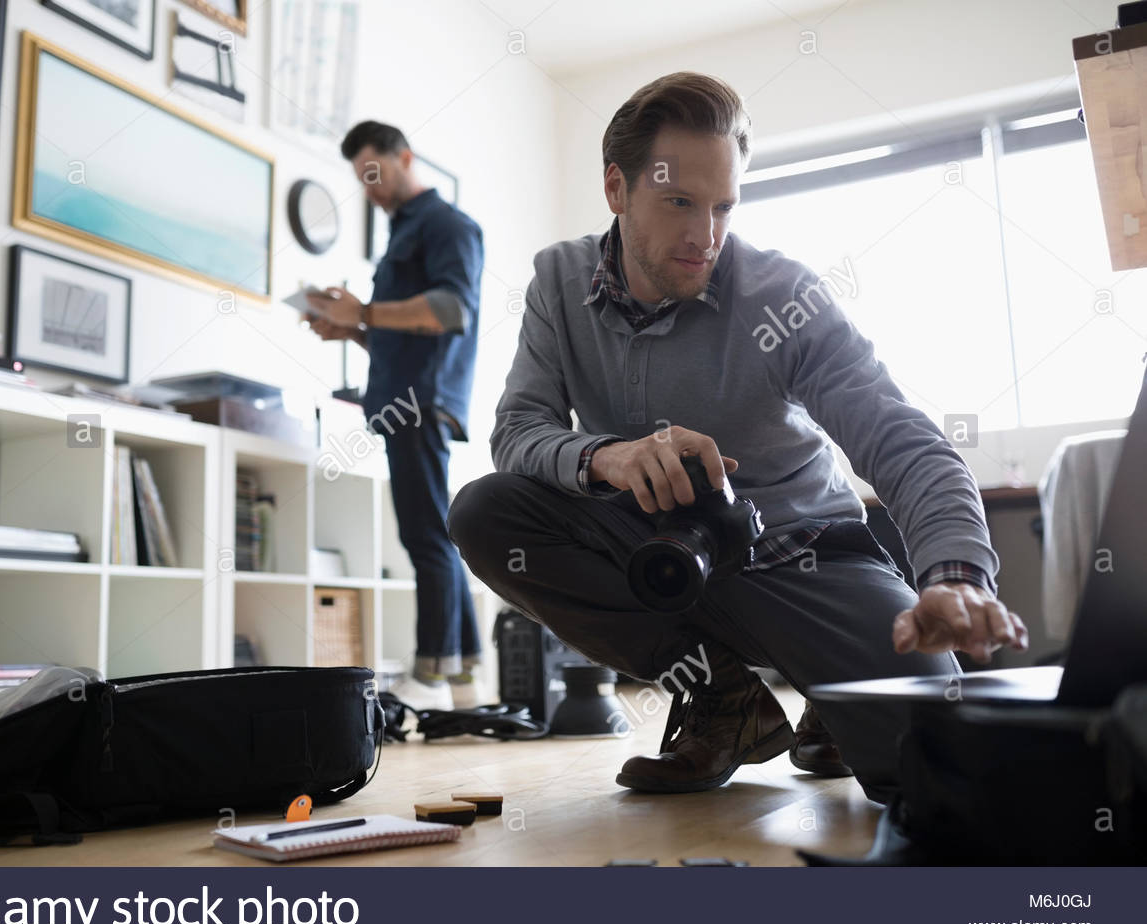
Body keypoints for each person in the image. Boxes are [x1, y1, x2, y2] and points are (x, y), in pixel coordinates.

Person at [445, 73, 1028, 803]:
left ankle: (830, 694)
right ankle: (723, 698)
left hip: (800, 558)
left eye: (724, 206)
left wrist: (956, 577)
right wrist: (606, 457)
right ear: (617, 189)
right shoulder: (557, 283)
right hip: (656, 558)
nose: (706, 236)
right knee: (485, 511)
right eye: (680, 203)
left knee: (931, 753)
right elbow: (517, 432)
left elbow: (904, 442)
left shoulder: (783, 296)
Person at [303, 120, 485, 710]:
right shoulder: (404, 232)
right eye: (361, 180)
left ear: (405, 157)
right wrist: (352, 327)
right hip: (405, 400)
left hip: (420, 405)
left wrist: (368, 312)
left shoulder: (446, 225)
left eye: (374, 173)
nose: (371, 188)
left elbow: (450, 310)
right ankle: (463, 678)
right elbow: (404, 338)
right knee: (433, 534)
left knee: (425, 536)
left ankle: (430, 676)